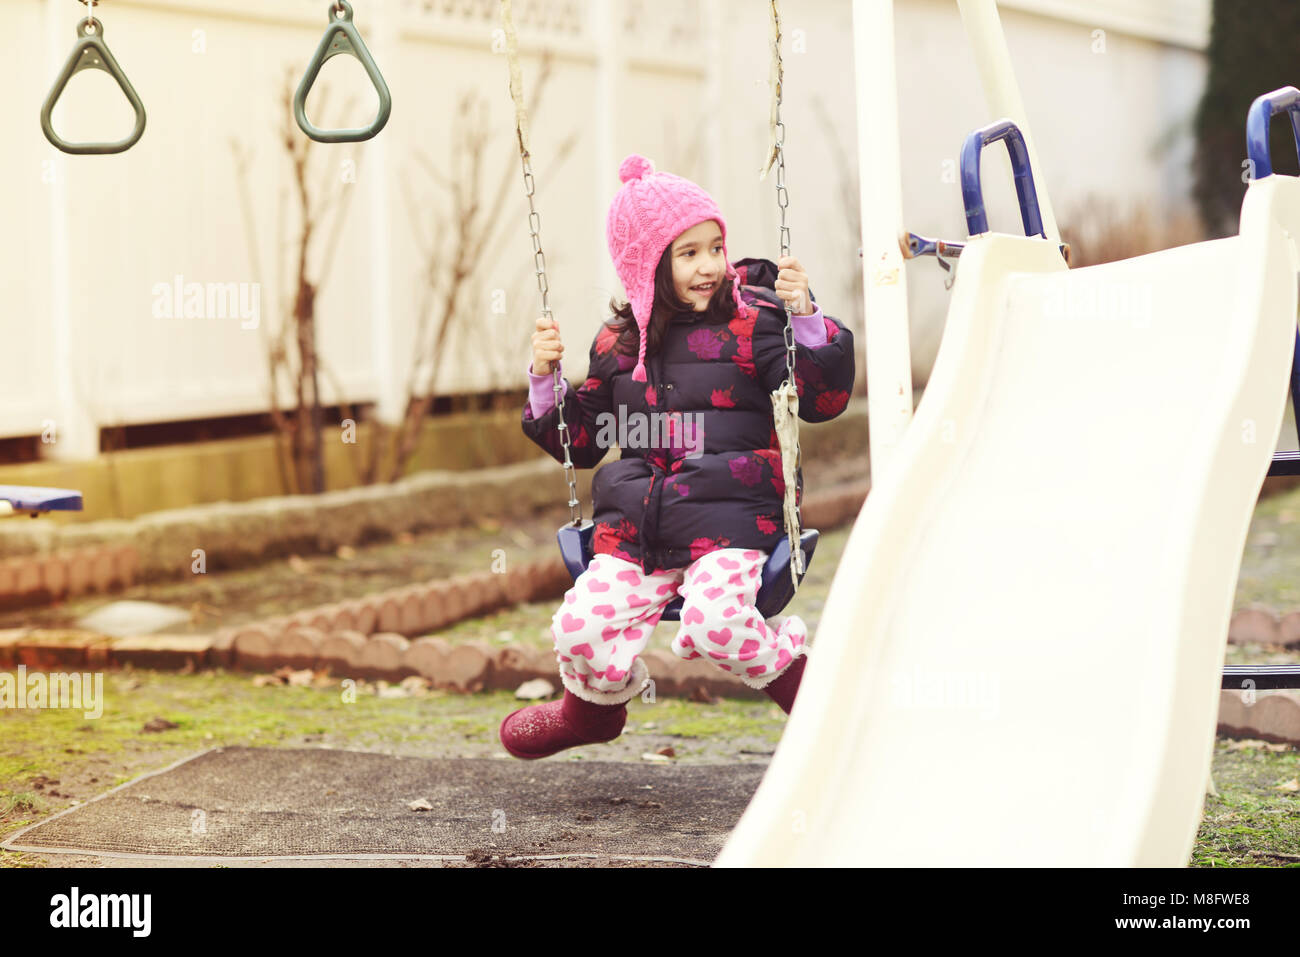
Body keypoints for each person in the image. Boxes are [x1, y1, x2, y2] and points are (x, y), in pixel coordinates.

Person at [499, 154, 855, 760]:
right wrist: (543, 379)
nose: (710, 266)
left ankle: (817, 704)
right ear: (647, 266)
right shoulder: (618, 345)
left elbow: (821, 401)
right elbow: (581, 441)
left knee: (718, 621)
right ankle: (590, 714)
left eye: (715, 247)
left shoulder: (756, 323)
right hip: (636, 527)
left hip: (734, 523)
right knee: (581, 628)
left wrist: (810, 323)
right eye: (688, 253)